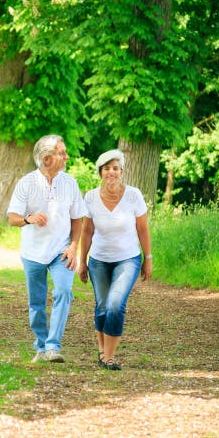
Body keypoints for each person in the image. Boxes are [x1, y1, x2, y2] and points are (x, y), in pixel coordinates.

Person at [7, 134, 86, 363]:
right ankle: (41, 346)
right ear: (47, 158)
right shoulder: (27, 182)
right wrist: (29, 218)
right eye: (62, 153)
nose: (67, 157)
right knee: (37, 303)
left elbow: (77, 219)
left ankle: (53, 346)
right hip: (33, 252)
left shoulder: (70, 182)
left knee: (63, 291)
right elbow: (13, 218)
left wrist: (73, 247)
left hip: (61, 250)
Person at [77, 149, 152, 370]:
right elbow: (87, 231)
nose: (111, 172)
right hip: (99, 260)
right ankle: (102, 352)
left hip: (127, 259)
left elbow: (143, 229)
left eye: (116, 168)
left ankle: (109, 357)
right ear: (100, 172)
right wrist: (82, 261)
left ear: (122, 172)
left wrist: (148, 257)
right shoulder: (90, 197)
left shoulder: (134, 195)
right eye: (107, 168)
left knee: (115, 304)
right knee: (101, 306)